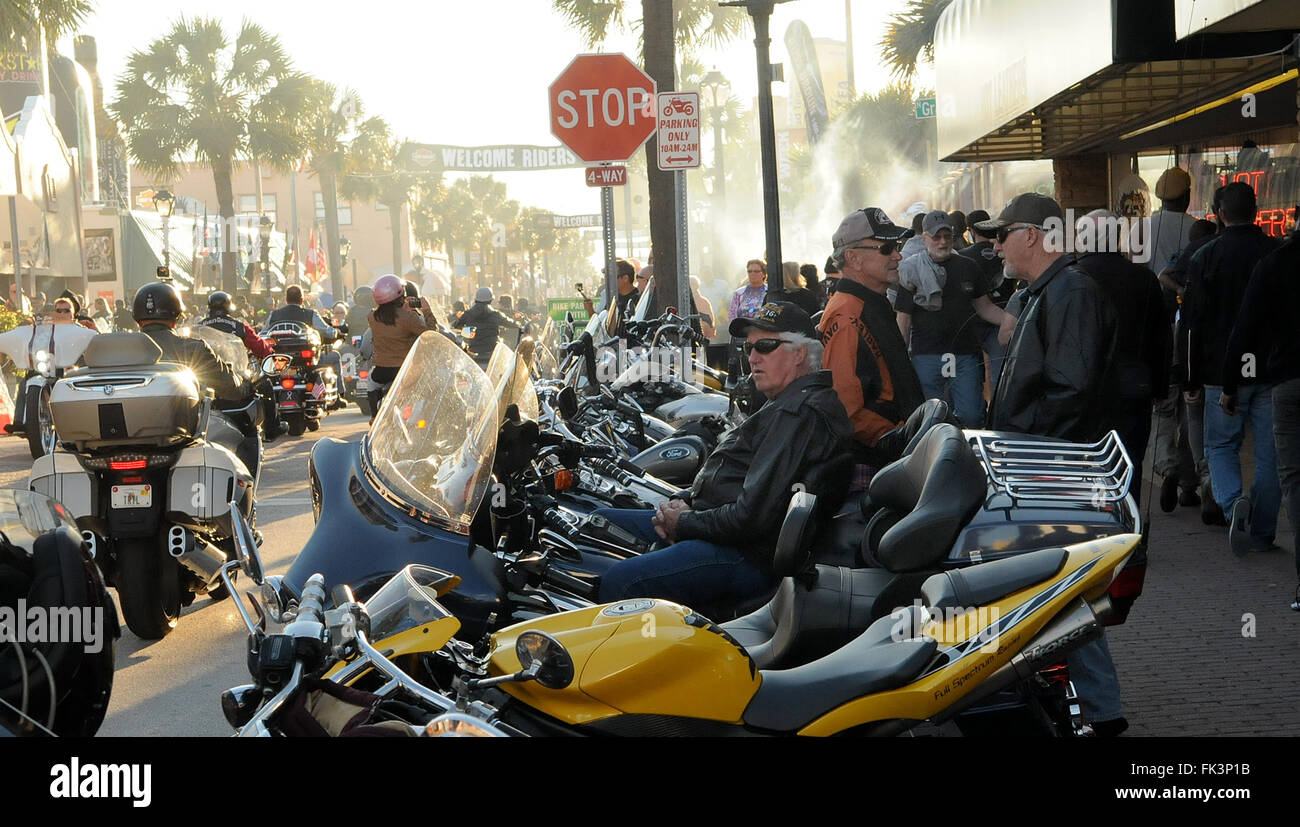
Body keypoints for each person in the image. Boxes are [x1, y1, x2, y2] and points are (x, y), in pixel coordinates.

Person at [977, 193, 1127, 738]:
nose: (995, 245)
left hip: (1053, 470)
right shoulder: (1046, 290)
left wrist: (1028, 461)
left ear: (1034, 235)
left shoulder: (1070, 290)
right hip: (1042, 465)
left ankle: (1099, 712)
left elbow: (1070, 389)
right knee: (1055, 594)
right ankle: (1087, 706)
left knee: (1064, 594)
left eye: (1002, 234)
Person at [596, 302, 853, 617]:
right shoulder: (788, 402)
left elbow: (752, 517)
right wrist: (683, 501)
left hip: (744, 554)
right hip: (722, 532)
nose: (753, 357)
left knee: (618, 583)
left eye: (765, 346)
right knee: (596, 523)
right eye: (749, 347)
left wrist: (685, 522)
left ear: (800, 353)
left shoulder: (798, 412)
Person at [1179, 181, 1280, 554]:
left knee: (1220, 444)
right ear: (1255, 211)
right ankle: (1264, 530)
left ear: (1220, 215)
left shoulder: (1206, 256)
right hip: (1270, 369)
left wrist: (1188, 376)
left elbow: (1190, 324)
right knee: (1271, 453)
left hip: (1218, 372)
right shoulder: (1276, 252)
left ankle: (1232, 500)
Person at [1221, 233, 1300, 604]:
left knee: (1294, 477)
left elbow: (1246, 328)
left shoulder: (1275, 263)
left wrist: (1230, 383)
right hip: (1279, 382)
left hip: (1288, 380)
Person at [1072, 209, 1170, 504]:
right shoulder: (1144, 278)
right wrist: (1161, 386)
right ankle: (1130, 528)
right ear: (1116, 237)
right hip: (1134, 386)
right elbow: (1161, 337)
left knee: (1087, 461)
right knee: (1130, 461)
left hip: (1085, 386)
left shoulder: (1072, 277)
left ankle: (1096, 531)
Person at [818, 207, 925, 469]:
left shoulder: (869, 302)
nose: (897, 255)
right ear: (853, 258)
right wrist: (900, 438)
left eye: (896, 246)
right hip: (875, 462)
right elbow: (847, 408)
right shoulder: (846, 312)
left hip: (893, 457)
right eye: (886, 248)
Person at [894, 210, 1009, 427]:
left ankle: (970, 456)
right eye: (936, 237)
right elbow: (904, 319)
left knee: (972, 416)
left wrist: (1014, 320)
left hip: (964, 355)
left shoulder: (968, 266)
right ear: (925, 238)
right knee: (932, 420)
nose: (943, 242)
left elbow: (984, 307)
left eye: (947, 236)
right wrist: (900, 360)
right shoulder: (911, 270)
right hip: (925, 355)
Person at [200, 291, 283, 441]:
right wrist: (270, 353)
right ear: (229, 308)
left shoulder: (199, 327)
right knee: (266, 385)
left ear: (209, 308)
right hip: (235, 379)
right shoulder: (239, 326)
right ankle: (272, 429)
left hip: (205, 382)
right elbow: (262, 348)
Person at [959, 208, 1018, 394]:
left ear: (972, 231)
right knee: (1000, 371)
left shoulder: (963, 257)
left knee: (970, 371)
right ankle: (996, 409)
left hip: (972, 321)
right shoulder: (1004, 252)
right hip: (1005, 316)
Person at [366, 274, 441, 416]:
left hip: (382, 372)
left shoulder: (372, 317)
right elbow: (431, 334)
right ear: (400, 294)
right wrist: (426, 311)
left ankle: (374, 416)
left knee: (370, 381)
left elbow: (390, 320)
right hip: (408, 370)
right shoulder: (409, 317)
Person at [262, 284, 346, 406]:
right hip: (305, 358)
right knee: (335, 356)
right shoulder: (310, 313)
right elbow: (327, 331)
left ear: (286, 300)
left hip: (279, 359)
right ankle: (338, 395)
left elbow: (263, 333)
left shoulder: (274, 315)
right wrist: (337, 332)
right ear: (302, 300)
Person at [449, 286, 519, 368]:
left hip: (473, 349)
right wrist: (519, 324)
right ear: (490, 300)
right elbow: (512, 324)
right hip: (492, 350)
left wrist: (469, 331)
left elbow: (455, 325)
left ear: (476, 299)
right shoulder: (495, 314)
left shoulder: (468, 314)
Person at [689, 275, 716, 340]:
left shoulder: (703, 301)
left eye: (692, 284)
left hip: (700, 337)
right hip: (687, 336)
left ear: (697, 286)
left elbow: (709, 321)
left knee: (697, 350)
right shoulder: (683, 300)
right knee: (687, 350)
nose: (690, 286)